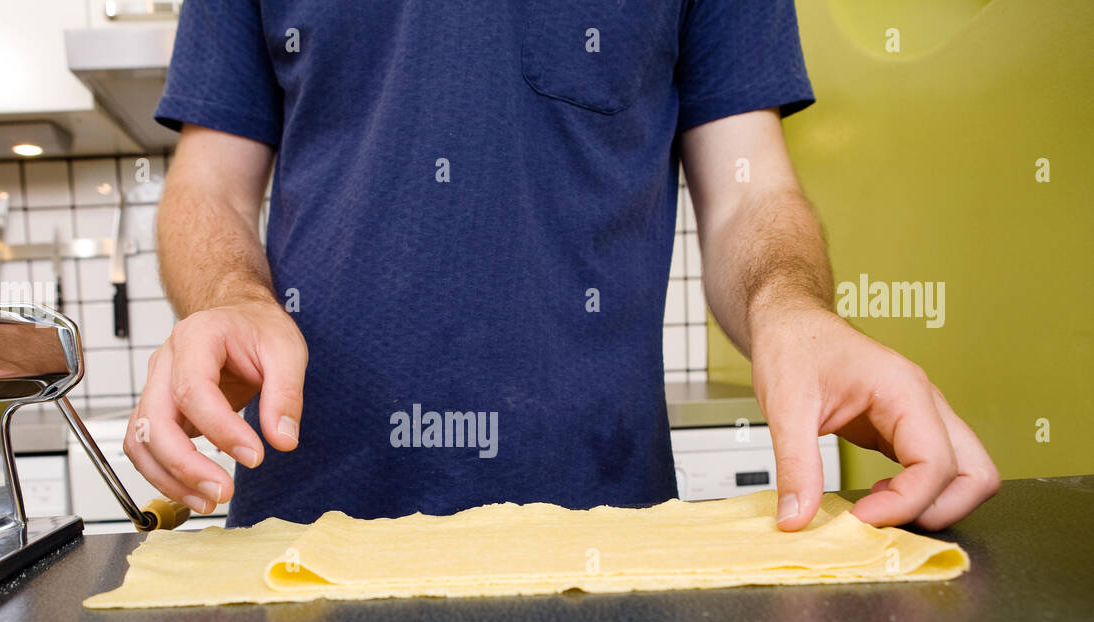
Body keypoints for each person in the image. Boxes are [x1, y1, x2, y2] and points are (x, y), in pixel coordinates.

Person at [127, 0, 999, 531]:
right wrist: (231, 297)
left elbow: (746, 191)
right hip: (300, 543)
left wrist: (793, 311)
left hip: (600, 547)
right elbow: (211, 189)